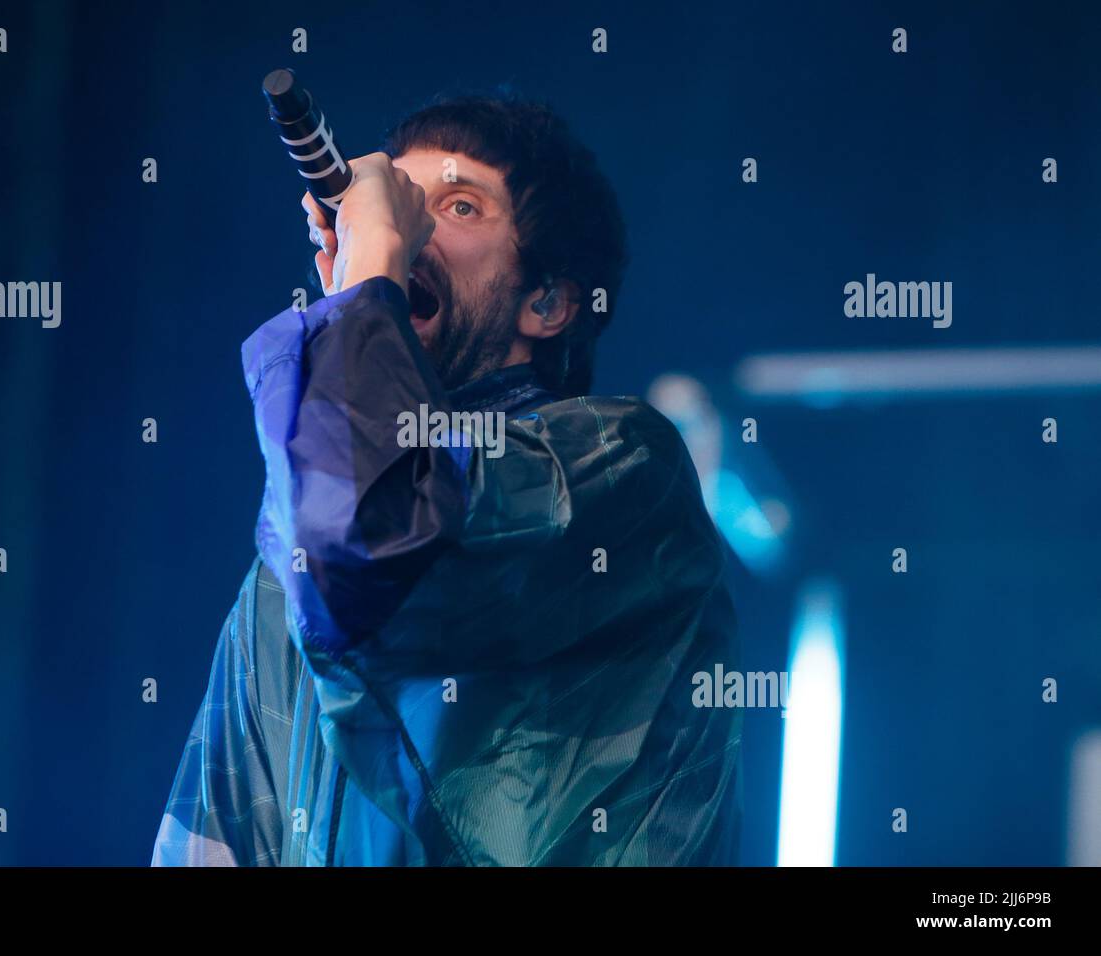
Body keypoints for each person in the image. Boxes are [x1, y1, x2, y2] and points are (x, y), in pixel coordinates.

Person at [151, 93, 742, 866]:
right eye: (397, 205)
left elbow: (376, 533)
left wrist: (367, 285)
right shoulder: (279, 573)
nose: (410, 228)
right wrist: (358, 305)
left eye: (459, 207)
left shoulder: (625, 465)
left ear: (549, 301)